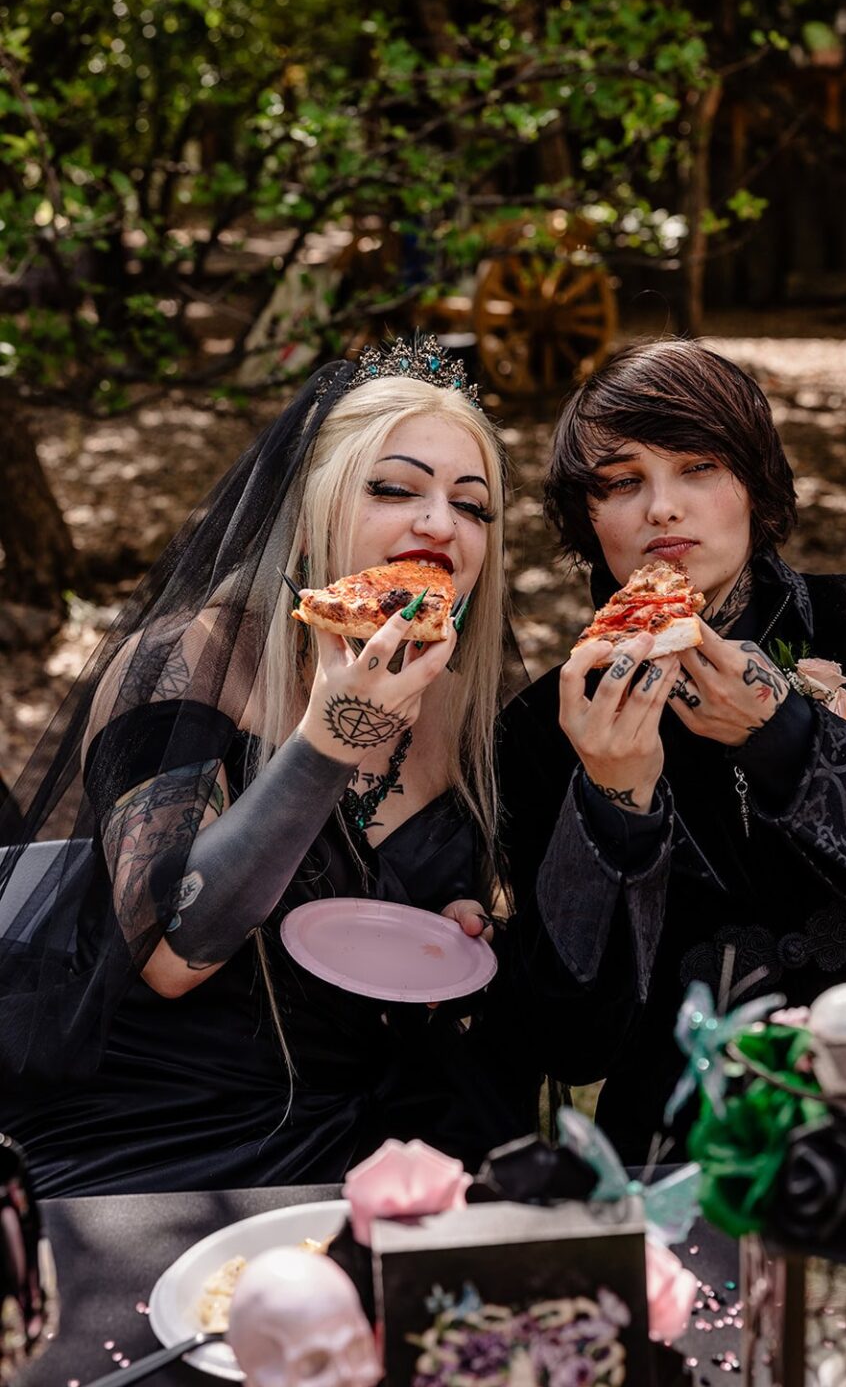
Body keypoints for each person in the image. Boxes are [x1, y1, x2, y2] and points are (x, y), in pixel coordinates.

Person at [0, 337, 639, 1196]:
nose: (440, 524)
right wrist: (328, 742)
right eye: (393, 489)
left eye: (472, 505)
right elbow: (168, 951)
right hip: (179, 1125)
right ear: (307, 514)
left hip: (397, 1127)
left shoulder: (459, 704)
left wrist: (464, 925)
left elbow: (531, 981)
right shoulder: (189, 662)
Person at [497, 337, 846, 1163]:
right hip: (691, 1152)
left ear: (756, 486)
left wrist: (796, 746)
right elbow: (570, 1039)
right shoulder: (544, 729)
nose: (662, 509)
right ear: (587, 519)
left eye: (699, 466)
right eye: (623, 483)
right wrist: (612, 806)